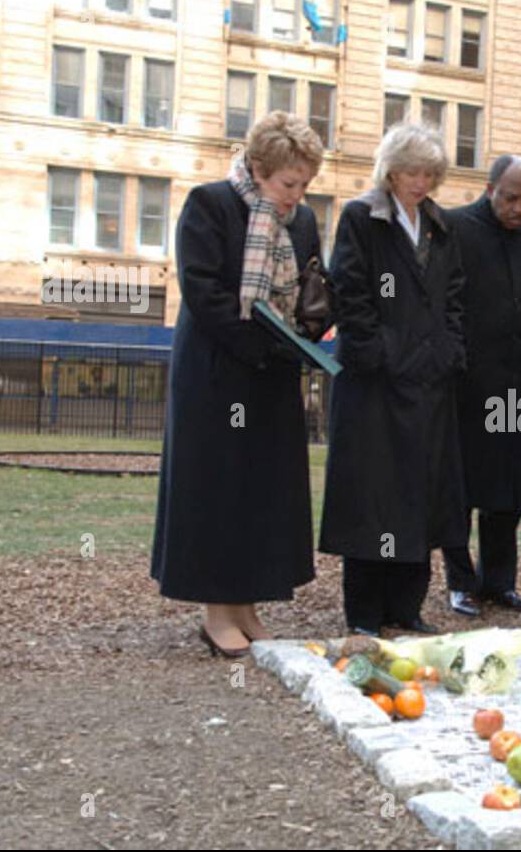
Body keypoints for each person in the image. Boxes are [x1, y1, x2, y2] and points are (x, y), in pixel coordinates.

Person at [151, 111, 324, 657]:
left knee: (265, 490)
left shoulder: (302, 220)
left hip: (271, 376)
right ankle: (216, 612)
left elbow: (309, 284)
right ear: (258, 167)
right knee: (219, 488)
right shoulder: (210, 204)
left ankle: (249, 605)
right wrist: (261, 343)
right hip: (216, 375)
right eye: (287, 184)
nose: (296, 196)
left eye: (304, 185)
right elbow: (202, 291)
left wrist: (312, 321)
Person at [319, 123, 467, 636]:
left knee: (421, 496)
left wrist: (448, 350)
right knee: (372, 496)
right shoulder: (363, 217)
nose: (419, 182)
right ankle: (364, 612)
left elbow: (454, 297)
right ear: (391, 170)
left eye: (428, 173)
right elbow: (350, 288)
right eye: (410, 171)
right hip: (376, 386)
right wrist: (379, 351)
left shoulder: (440, 226)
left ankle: (406, 607)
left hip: (429, 383)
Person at [442, 155, 521, 618]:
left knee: (511, 490)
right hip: (469, 385)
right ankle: (460, 581)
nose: (518, 208)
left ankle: (500, 581)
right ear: (489, 188)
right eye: (509, 197)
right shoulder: (454, 229)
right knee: (461, 489)